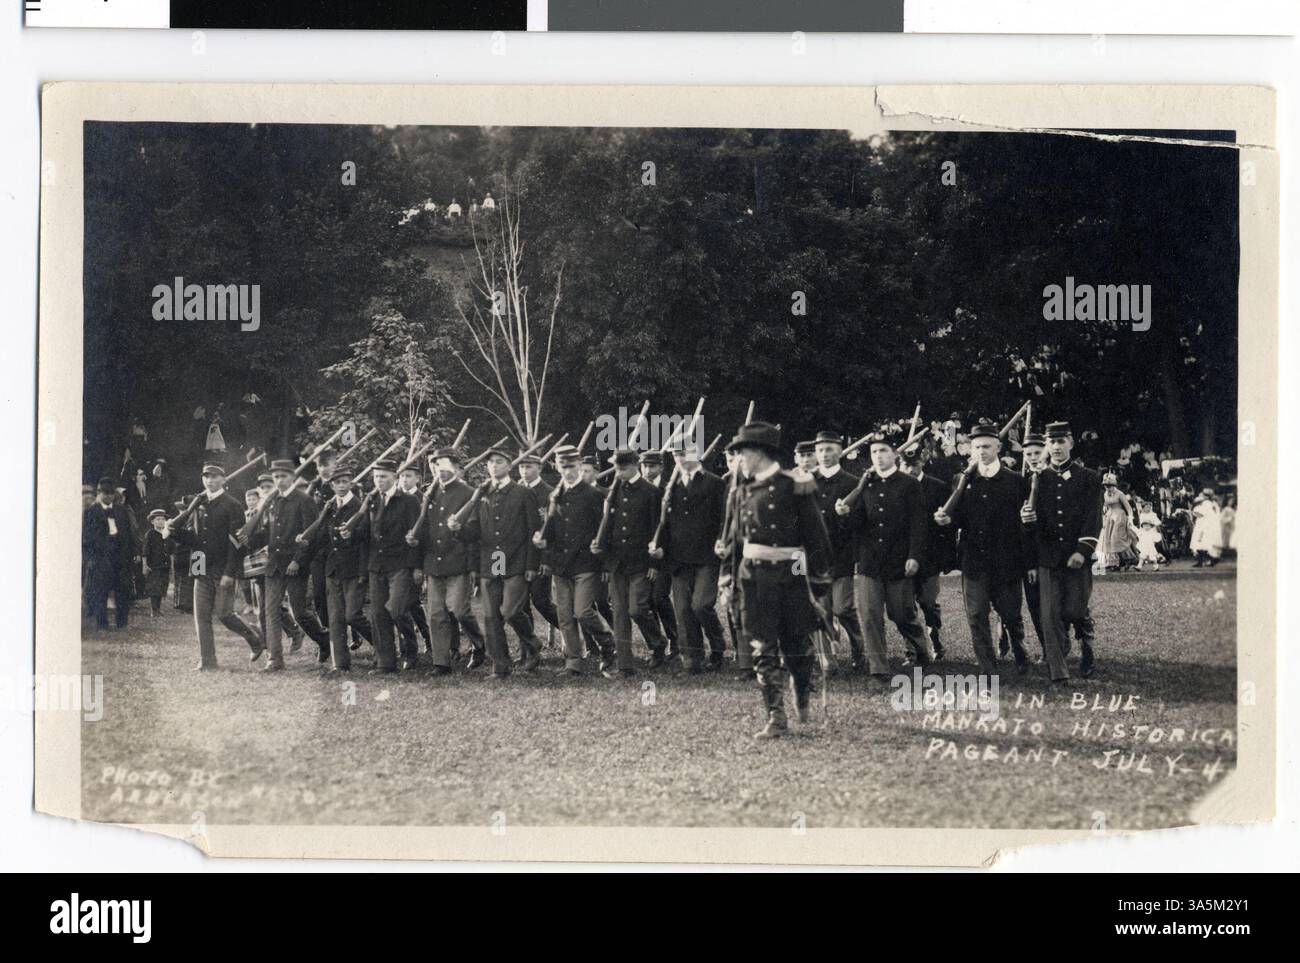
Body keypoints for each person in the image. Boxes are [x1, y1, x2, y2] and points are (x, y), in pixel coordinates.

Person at [725, 422, 832, 739]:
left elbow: (817, 538)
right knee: (762, 645)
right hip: (754, 577)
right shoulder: (742, 490)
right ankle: (776, 716)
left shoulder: (794, 485)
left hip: (791, 576)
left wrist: (818, 584)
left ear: (757, 452)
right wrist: (727, 577)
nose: (739, 459)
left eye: (742, 452)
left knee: (796, 644)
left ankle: (801, 687)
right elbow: (734, 542)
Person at [933, 421, 1033, 675]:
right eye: (976, 447)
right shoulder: (961, 480)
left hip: (1007, 561)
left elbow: (1025, 525)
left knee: (1010, 614)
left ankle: (1018, 646)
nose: (981, 452)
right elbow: (956, 517)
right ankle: (988, 667)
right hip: (973, 560)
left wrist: (1026, 560)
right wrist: (946, 520)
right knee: (976, 615)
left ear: (998, 447)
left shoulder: (1015, 481)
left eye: (987, 446)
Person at [835, 432, 932, 680]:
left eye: (883, 451)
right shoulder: (865, 484)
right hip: (869, 562)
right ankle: (879, 666)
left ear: (895, 455)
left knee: (902, 614)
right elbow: (858, 524)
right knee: (869, 615)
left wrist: (914, 556)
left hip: (900, 561)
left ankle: (921, 648)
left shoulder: (910, 485)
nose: (878, 457)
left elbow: (919, 525)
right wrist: (845, 513)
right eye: (874, 452)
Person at [1019, 421, 1103, 680]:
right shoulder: (1037, 480)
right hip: (1048, 558)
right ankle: (1059, 672)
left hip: (1077, 557)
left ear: (1071, 443)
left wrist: (1083, 550)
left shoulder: (1089, 478)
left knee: (1075, 610)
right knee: (1049, 615)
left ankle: (1086, 644)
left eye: (1060, 441)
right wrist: (1027, 518)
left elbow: (1093, 518)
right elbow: (1032, 526)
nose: (1055, 447)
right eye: (1051, 442)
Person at [451, 445, 541, 677]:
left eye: (499, 462)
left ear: (509, 466)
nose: (494, 466)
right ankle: (501, 667)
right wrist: (457, 529)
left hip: (516, 561)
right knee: (491, 617)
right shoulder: (482, 493)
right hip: (492, 562)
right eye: (490, 462)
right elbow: (474, 531)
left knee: (510, 611)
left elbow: (534, 531)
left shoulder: (523, 493)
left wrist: (532, 565)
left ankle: (532, 643)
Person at [164, 462, 264, 669]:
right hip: (201, 564)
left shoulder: (232, 505)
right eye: (206, 476)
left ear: (223, 480)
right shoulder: (198, 504)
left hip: (223, 568)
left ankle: (255, 639)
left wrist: (230, 573)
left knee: (224, 614)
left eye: (214, 476)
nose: (210, 480)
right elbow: (194, 538)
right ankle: (208, 661)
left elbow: (237, 544)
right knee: (201, 616)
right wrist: (173, 530)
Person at [535, 447, 616, 677]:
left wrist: (604, 562)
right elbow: (550, 528)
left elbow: (604, 530)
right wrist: (542, 542)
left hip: (585, 564)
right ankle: (573, 663)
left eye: (571, 466)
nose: (567, 471)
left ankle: (607, 641)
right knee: (565, 616)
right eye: (563, 466)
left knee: (582, 611)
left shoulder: (593, 495)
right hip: (561, 566)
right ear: (558, 467)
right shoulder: (556, 495)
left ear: (580, 465)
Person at [650, 437, 727, 673]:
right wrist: (658, 544)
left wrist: (722, 540)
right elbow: (665, 522)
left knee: (701, 605)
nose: (681, 459)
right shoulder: (671, 486)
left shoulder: (714, 483)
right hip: (679, 558)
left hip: (707, 556)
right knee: (683, 610)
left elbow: (724, 517)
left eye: (685, 453)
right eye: (676, 455)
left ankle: (717, 644)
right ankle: (692, 658)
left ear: (697, 453)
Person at [407, 447, 486, 674]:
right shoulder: (429, 494)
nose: (439, 470)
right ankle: (441, 663)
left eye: (444, 465)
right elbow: (425, 529)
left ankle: (479, 644)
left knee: (459, 610)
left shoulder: (468, 493)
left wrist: (459, 529)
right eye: (435, 466)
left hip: (458, 562)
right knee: (435, 614)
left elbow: (475, 533)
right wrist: (414, 540)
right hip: (434, 563)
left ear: (454, 467)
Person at [341, 457, 422, 672]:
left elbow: (418, 535)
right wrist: (350, 533)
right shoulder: (372, 500)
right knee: (378, 615)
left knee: (396, 610)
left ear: (395, 477)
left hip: (401, 564)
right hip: (376, 566)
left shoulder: (409, 501)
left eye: (383, 477)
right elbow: (366, 533)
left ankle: (410, 650)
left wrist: (416, 568)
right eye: (376, 477)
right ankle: (386, 663)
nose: (379, 481)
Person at [248, 458, 330, 670]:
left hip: (295, 566)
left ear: (292, 477)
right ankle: (275, 659)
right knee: (270, 611)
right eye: (276, 477)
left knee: (300, 612)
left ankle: (323, 639)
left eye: (283, 476)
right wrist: (249, 538)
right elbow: (269, 533)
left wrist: (297, 561)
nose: (279, 480)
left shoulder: (304, 500)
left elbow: (313, 535)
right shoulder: (272, 501)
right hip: (274, 565)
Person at [592, 448, 667, 674]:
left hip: (641, 562)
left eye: (622, 468)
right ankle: (625, 665)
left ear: (635, 465)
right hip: (617, 562)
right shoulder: (616, 488)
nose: (619, 472)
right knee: (620, 613)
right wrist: (600, 546)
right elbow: (608, 521)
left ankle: (658, 644)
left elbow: (657, 528)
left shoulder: (651, 492)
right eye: (617, 467)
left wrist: (655, 564)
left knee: (637, 609)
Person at [303, 461, 373, 672]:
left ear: (351, 483)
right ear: (332, 486)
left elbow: (365, 542)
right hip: (332, 569)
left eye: (345, 482)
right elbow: (323, 537)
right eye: (337, 483)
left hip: (354, 569)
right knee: (335, 620)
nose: (342, 486)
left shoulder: (359, 506)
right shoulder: (330, 507)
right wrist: (307, 543)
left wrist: (363, 572)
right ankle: (340, 663)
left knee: (352, 615)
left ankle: (381, 645)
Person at [809, 431, 867, 673]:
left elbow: (861, 523)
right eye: (820, 449)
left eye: (829, 449)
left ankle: (859, 648)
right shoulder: (806, 481)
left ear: (839, 451)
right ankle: (827, 662)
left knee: (842, 609)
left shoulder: (852, 483)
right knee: (820, 609)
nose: (824, 454)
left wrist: (845, 516)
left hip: (841, 556)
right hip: (812, 558)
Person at [901, 444, 957, 661]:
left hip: (929, 557)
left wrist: (947, 557)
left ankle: (935, 638)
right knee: (905, 605)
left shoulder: (938, 487)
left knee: (928, 602)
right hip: (902, 556)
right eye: (906, 465)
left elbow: (948, 525)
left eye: (914, 464)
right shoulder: (896, 486)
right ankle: (911, 650)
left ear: (921, 463)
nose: (911, 469)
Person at [639, 451, 680, 659]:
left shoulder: (669, 488)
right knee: (645, 601)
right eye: (644, 466)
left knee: (659, 597)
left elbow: (673, 525)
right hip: (643, 554)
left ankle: (675, 639)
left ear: (661, 468)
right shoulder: (638, 488)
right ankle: (657, 644)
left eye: (652, 466)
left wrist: (663, 552)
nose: (647, 470)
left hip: (666, 553)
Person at [83, 476, 139, 630]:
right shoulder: (91, 512)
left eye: (110, 493)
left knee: (122, 590)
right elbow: (86, 537)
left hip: (120, 557)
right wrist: (91, 558)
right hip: (101, 557)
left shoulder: (121, 511)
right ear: (99, 493)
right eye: (104, 493)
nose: (108, 496)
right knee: (101, 591)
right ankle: (102, 623)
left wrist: (132, 553)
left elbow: (128, 533)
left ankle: (122, 622)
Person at [517, 452, 560, 644]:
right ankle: (529, 646)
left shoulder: (549, 493)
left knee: (541, 601)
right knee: (520, 604)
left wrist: (547, 559)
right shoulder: (515, 490)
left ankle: (573, 632)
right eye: (521, 467)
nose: (524, 471)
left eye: (529, 467)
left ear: (540, 468)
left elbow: (554, 531)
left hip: (539, 557)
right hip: (518, 557)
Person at [397, 462, 435, 654]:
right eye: (402, 476)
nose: (405, 479)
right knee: (407, 603)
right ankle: (419, 640)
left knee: (410, 602)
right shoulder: (395, 497)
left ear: (418, 479)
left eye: (409, 476)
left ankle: (426, 639)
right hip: (396, 559)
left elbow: (425, 534)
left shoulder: (422, 499)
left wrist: (418, 566)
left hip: (414, 559)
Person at [1099, 473, 1139, 571]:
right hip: (1109, 517)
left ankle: (1128, 558)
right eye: (1106, 486)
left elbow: (1128, 508)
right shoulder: (1105, 494)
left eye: (1110, 486)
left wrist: (1130, 520)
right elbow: (1106, 504)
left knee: (1116, 539)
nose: (1108, 488)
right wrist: (1105, 509)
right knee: (1107, 539)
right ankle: (1113, 563)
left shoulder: (1120, 494)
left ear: (1114, 485)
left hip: (1119, 517)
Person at [141, 508, 173, 616]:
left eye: (163, 519)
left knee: (163, 586)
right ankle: (154, 610)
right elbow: (145, 551)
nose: (161, 521)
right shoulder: (150, 534)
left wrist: (171, 565)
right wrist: (145, 565)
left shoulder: (167, 534)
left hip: (165, 564)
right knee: (154, 587)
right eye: (158, 519)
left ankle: (158, 609)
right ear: (152, 522)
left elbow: (171, 550)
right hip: (153, 565)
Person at [1190, 489, 1223, 566]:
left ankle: (1204, 561)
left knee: (1199, 542)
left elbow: (1200, 514)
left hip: (1203, 525)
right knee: (1206, 543)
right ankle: (1209, 560)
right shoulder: (1214, 503)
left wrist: (1193, 512)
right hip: (1211, 526)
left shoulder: (1206, 503)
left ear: (1206, 496)